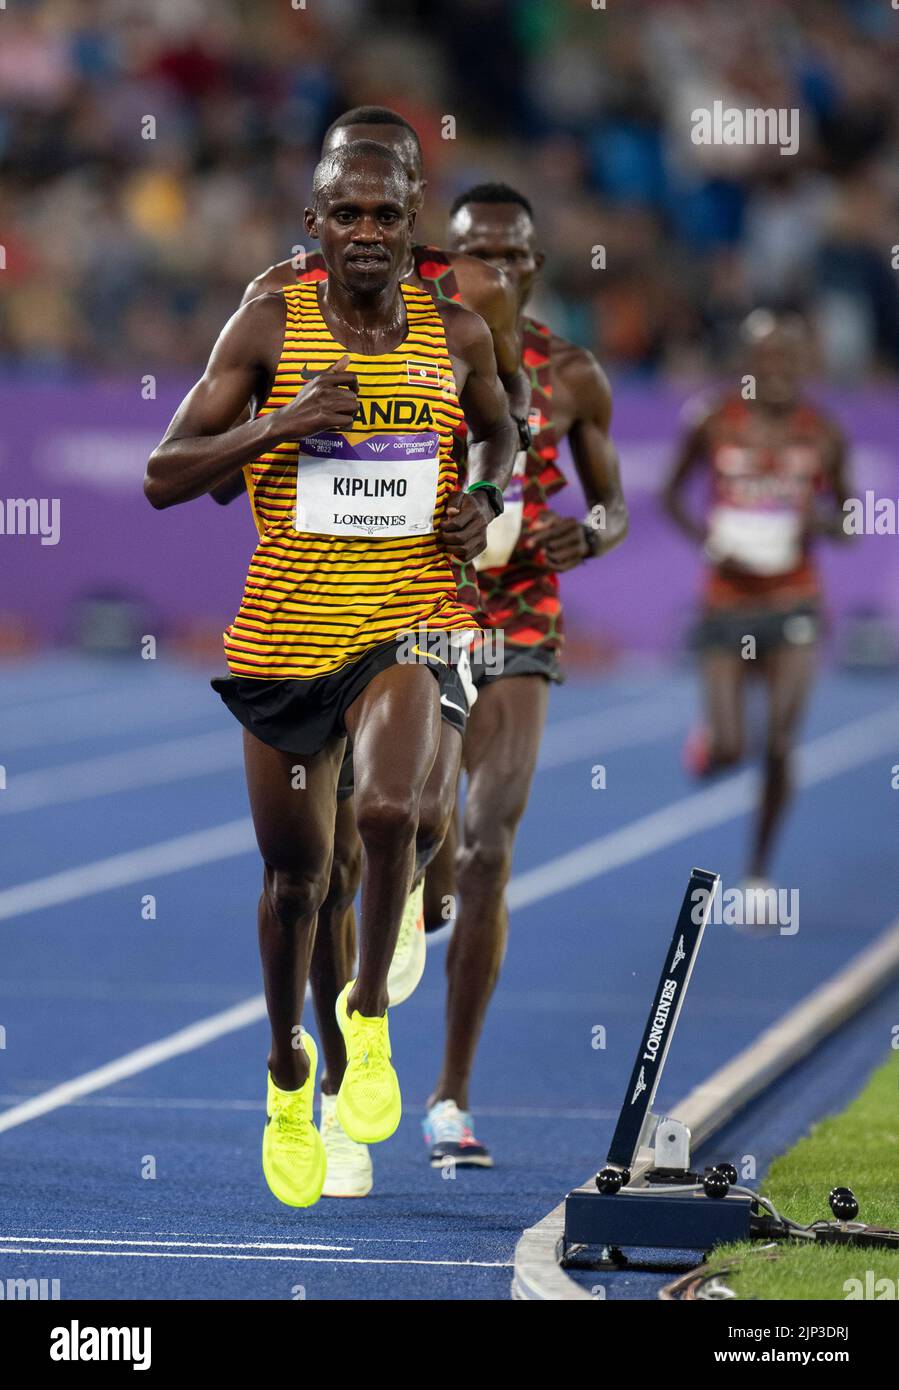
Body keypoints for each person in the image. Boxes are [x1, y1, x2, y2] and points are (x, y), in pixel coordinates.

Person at [144, 140, 515, 1208]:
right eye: (343, 213)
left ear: (411, 227)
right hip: (283, 645)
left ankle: (365, 1008)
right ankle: (286, 1071)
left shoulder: (455, 332)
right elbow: (163, 474)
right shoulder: (267, 324)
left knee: (394, 810)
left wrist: (482, 503)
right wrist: (287, 420)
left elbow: (499, 439)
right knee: (297, 884)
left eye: (383, 215)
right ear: (313, 224)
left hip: (407, 618)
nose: (363, 230)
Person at [419, 182, 628, 1167]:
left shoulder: (572, 372)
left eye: (514, 257)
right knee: (404, 837)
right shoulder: (409, 345)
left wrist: (586, 533)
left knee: (487, 851)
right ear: (445, 258)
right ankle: (352, 1037)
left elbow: (612, 504)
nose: (496, 272)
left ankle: (450, 1096)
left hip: (520, 615)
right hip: (415, 608)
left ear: (537, 266)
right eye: (477, 255)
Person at [663, 310, 852, 910]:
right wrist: (710, 540)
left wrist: (813, 521)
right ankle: (713, 745)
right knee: (731, 749)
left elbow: (850, 522)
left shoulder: (824, 433)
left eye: (789, 359)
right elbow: (669, 495)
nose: (777, 370)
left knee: (779, 744)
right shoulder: (713, 422)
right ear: (746, 365)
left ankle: (759, 872)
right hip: (725, 605)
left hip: (794, 603)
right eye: (766, 359)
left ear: (805, 366)